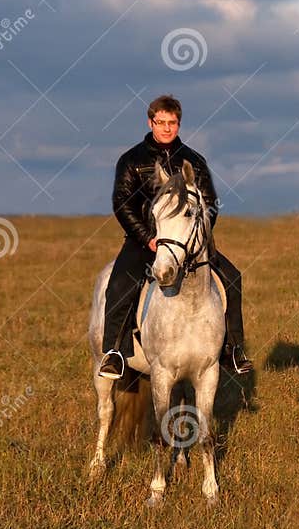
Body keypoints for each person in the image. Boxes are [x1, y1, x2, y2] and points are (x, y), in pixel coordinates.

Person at [98, 94, 252, 379]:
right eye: (161, 122)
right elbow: (122, 204)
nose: (166, 128)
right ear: (150, 122)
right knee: (119, 284)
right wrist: (147, 237)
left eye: (172, 123)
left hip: (189, 243)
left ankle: (233, 349)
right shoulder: (131, 160)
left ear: (179, 124)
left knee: (233, 278)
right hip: (145, 241)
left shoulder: (194, 161)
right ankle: (114, 352)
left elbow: (209, 203)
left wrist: (195, 240)